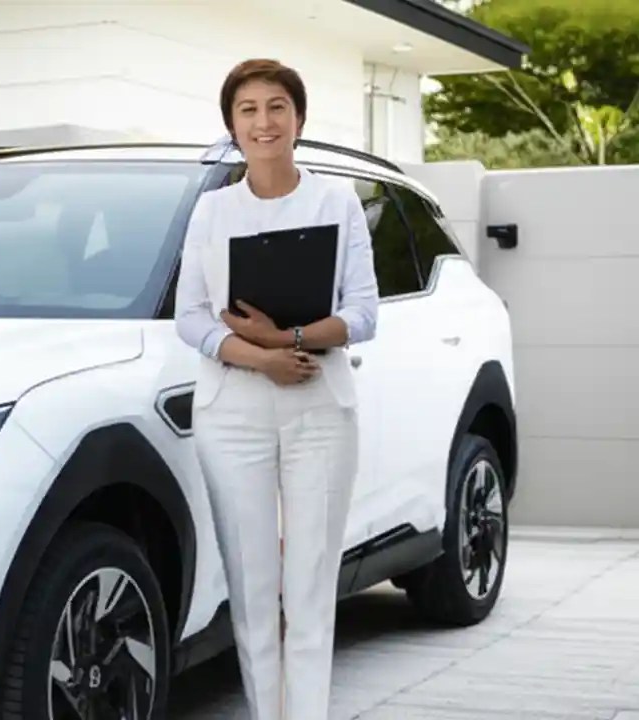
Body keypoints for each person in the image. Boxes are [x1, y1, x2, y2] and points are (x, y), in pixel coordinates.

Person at [175, 58, 379, 720]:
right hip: (230, 414)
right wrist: (265, 356)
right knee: (254, 590)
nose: (263, 122)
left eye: (276, 107)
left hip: (319, 406)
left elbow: (363, 315)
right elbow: (191, 319)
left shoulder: (337, 200)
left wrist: (288, 340)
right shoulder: (211, 210)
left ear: (298, 118)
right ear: (232, 125)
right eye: (248, 110)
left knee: (311, 587)